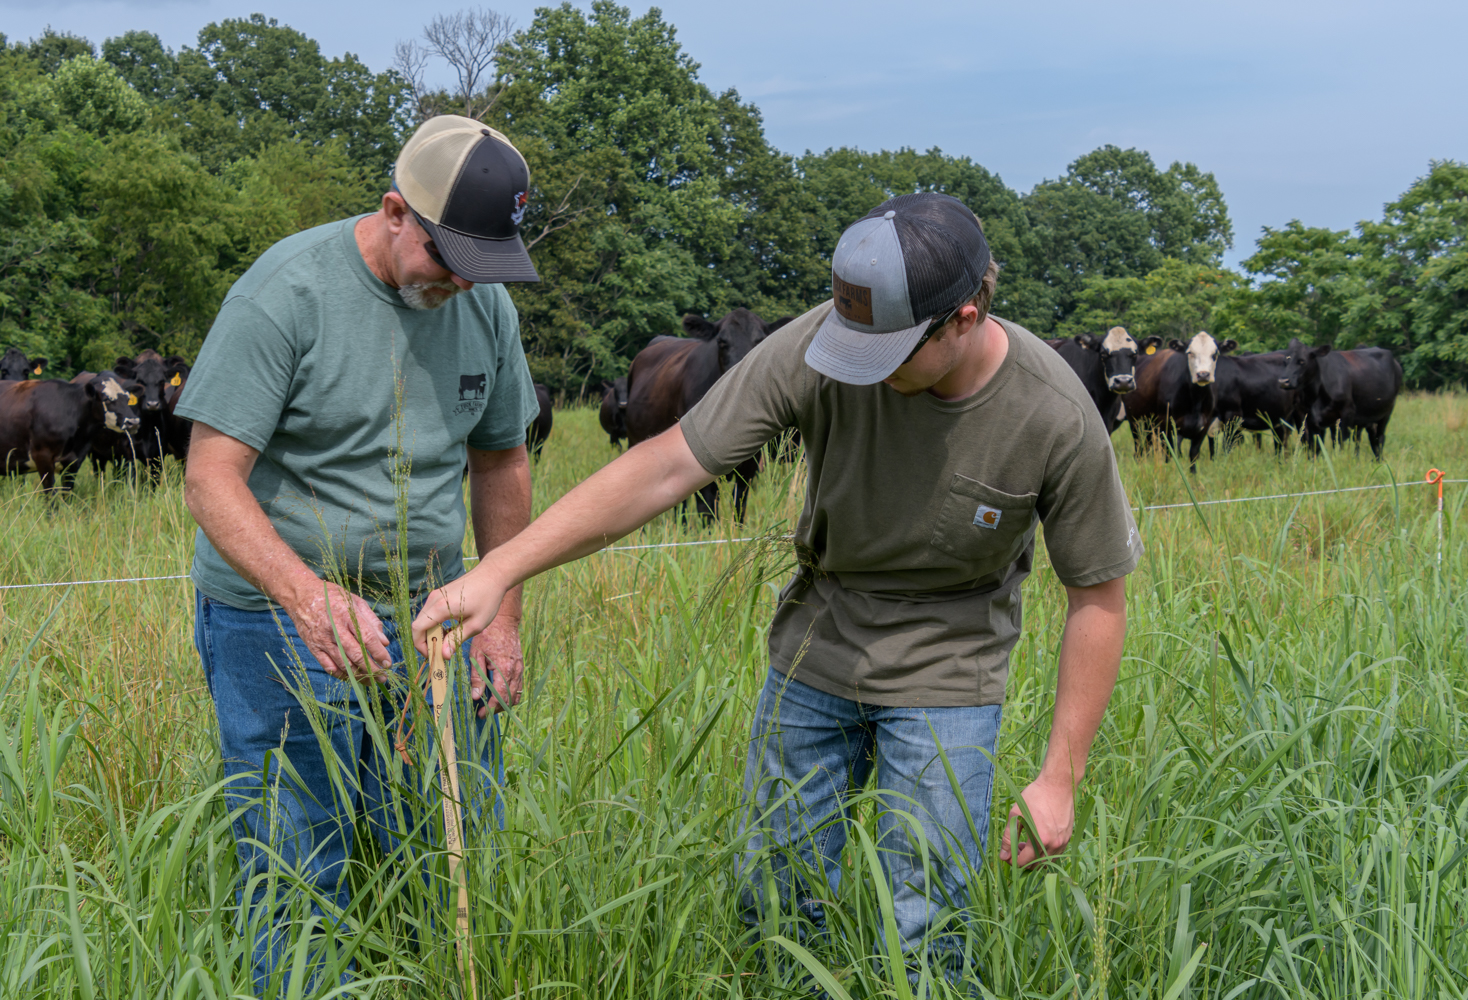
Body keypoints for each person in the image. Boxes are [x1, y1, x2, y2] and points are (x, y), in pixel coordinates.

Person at [411, 192, 1140, 988]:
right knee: (775, 899)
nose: (857, 364)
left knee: (928, 919)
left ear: (962, 320)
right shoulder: (825, 345)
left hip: (951, 667)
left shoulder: (1053, 414)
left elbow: (1097, 598)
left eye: (886, 350)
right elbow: (668, 465)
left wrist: (1059, 778)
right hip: (818, 649)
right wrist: (500, 568)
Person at [178, 115, 542, 990]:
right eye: (450, 257)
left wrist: (500, 611)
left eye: (487, 262)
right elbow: (211, 477)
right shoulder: (285, 293)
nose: (465, 281)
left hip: (435, 614)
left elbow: (502, 460)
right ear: (394, 211)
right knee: (299, 861)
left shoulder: (483, 303)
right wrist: (307, 597)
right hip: (277, 620)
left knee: (442, 846)